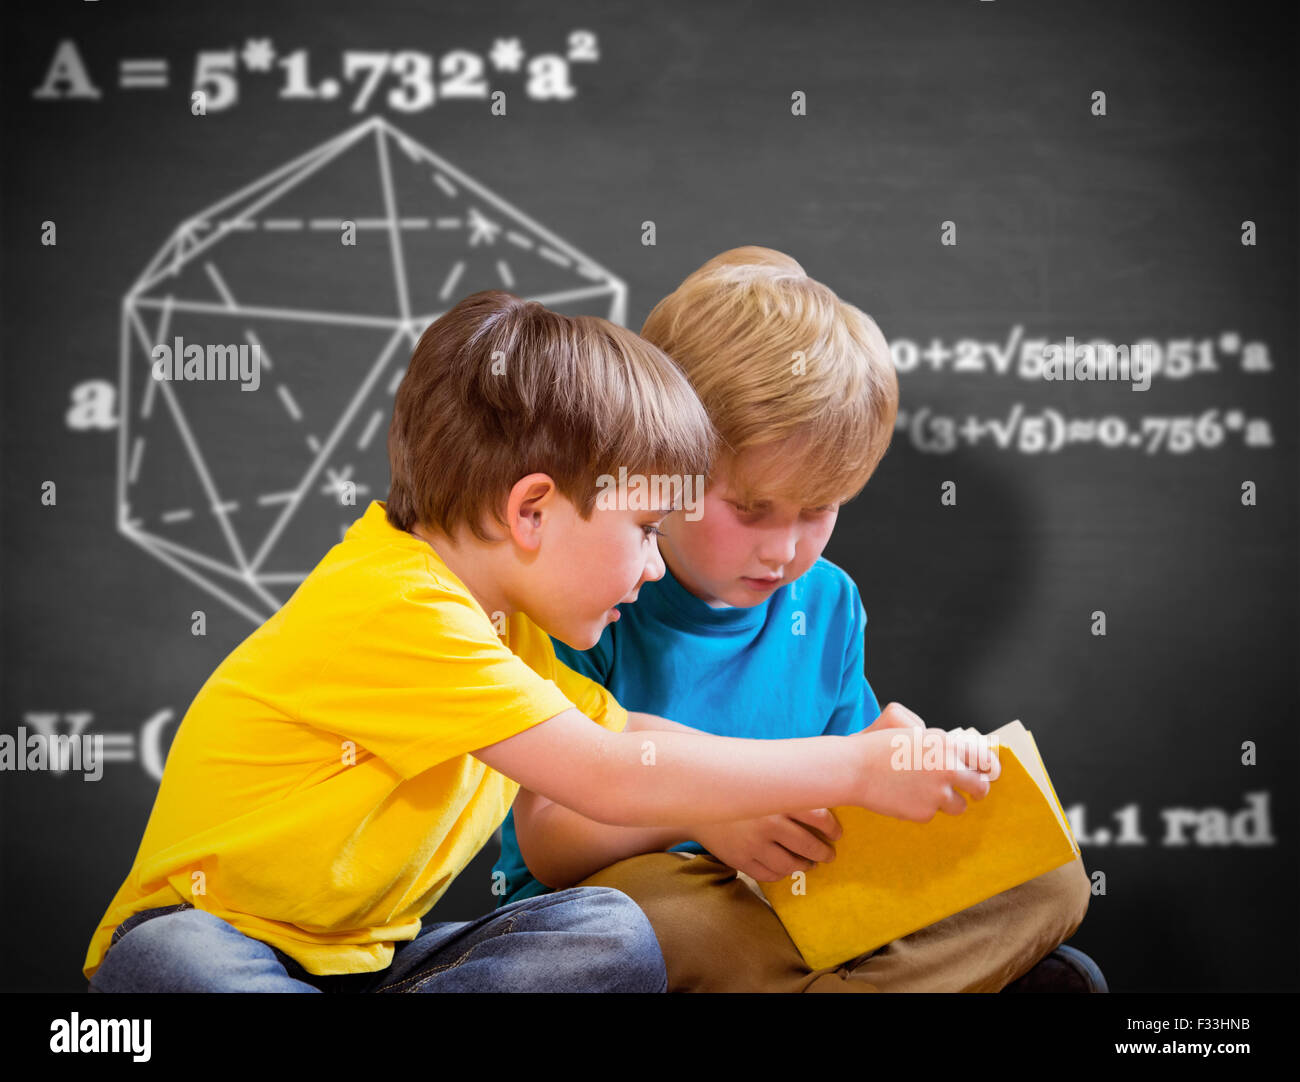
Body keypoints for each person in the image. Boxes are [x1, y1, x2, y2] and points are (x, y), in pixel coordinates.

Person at [83, 289, 997, 993]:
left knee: (605, 934)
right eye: (644, 530)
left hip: (368, 969)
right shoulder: (401, 605)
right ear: (532, 511)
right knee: (175, 963)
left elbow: (632, 735)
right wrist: (853, 770)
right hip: (226, 943)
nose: (652, 566)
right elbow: (605, 773)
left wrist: (853, 758)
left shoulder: (512, 625)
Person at [495, 250, 1092, 992]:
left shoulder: (829, 603)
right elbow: (548, 838)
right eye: (751, 509)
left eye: (818, 509)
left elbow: (850, 800)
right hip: (631, 909)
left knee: (1051, 879)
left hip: (790, 905)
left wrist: (918, 775)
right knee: (655, 918)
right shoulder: (589, 595)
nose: (783, 550)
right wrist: (709, 812)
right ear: (662, 465)